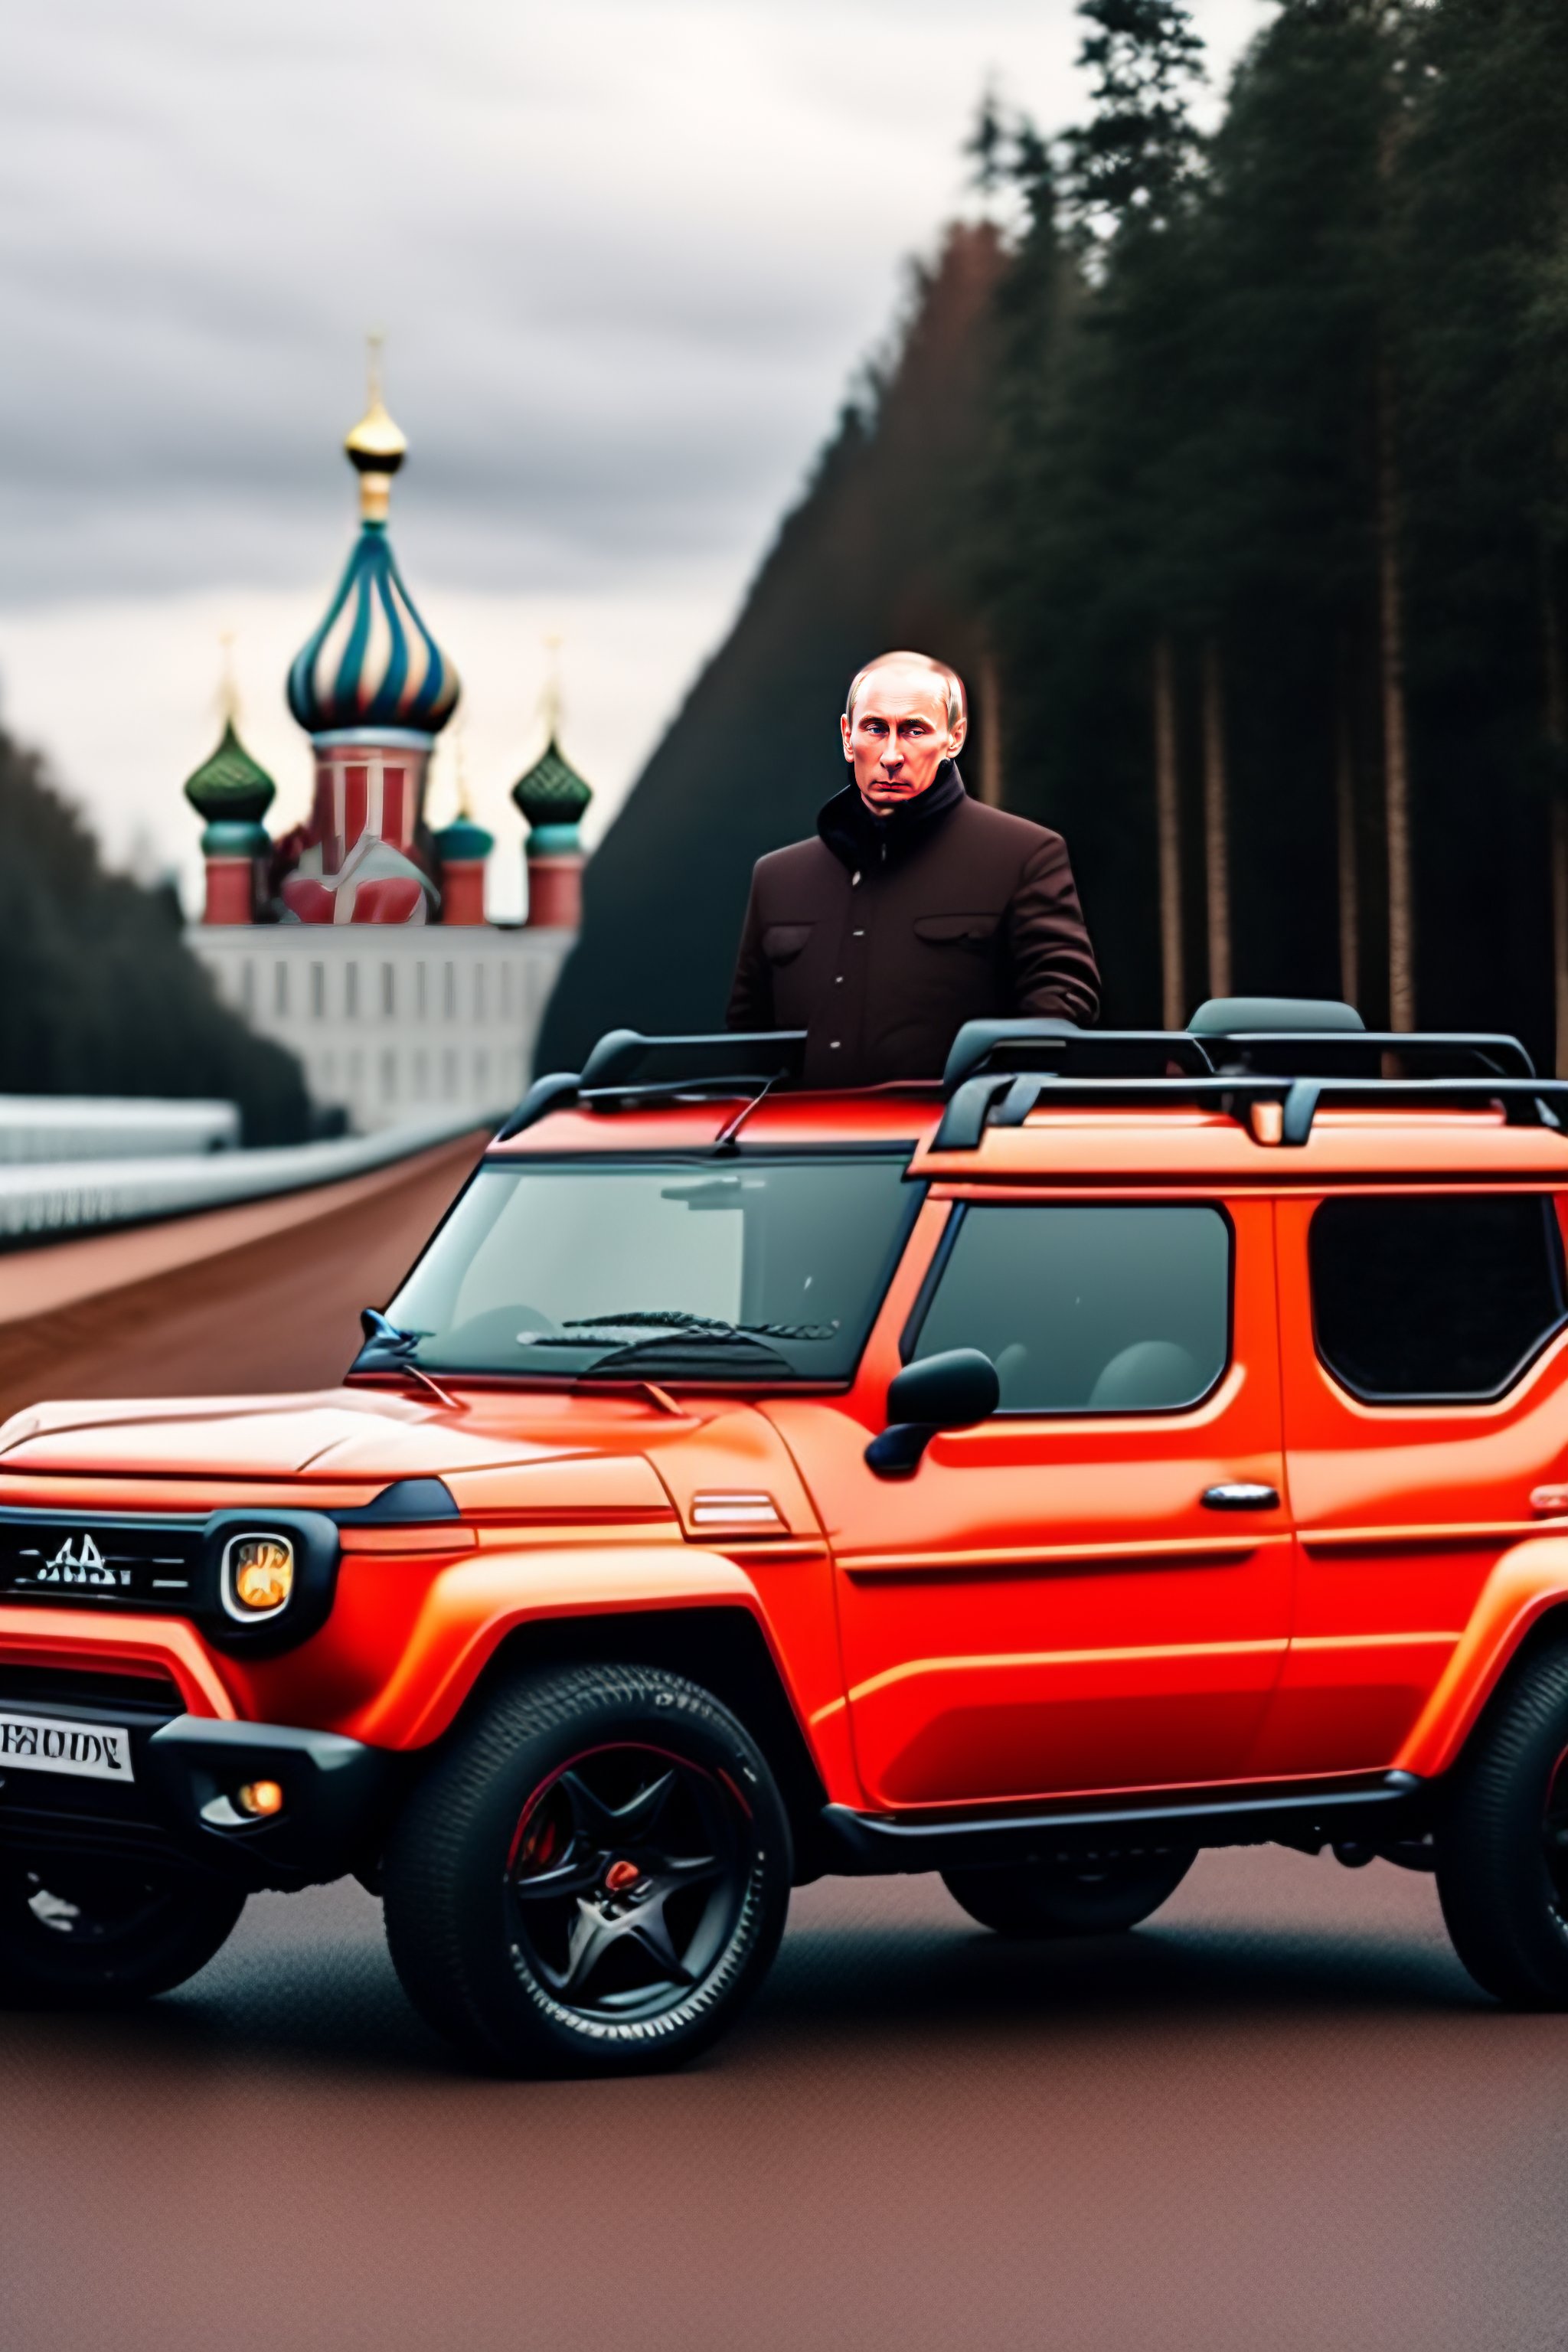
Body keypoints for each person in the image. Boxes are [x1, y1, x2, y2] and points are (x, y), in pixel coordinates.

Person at [726, 649, 1099, 1086]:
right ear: (847, 737)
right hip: (801, 1128)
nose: (891, 754)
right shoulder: (777, 879)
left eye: (913, 730)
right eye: (875, 728)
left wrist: (985, 1101)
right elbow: (746, 1043)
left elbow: (1062, 1003)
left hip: (957, 1125)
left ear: (954, 738)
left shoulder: (1026, 856)